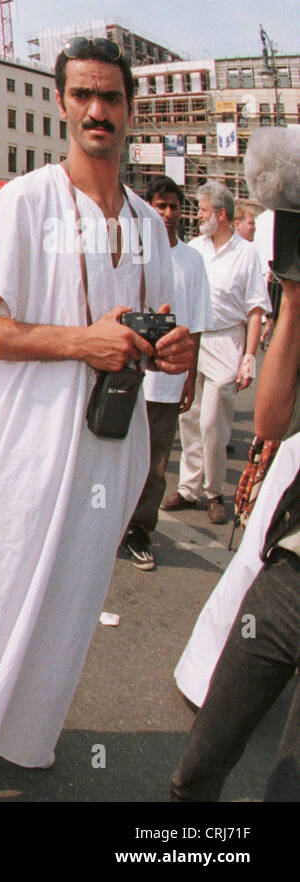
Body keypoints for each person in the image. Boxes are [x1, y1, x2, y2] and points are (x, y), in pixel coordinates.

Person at [0, 36, 193, 788]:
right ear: (60, 104)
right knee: (2, 588)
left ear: (129, 109)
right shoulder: (24, 202)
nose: (95, 110)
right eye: (81, 94)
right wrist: (78, 340)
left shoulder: (150, 221)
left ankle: (23, 733)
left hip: (112, 447)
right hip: (30, 442)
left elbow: (151, 320)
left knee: (69, 602)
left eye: (110, 97)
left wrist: (167, 350)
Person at [171, 270, 300, 800]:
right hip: (289, 575)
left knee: (288, 785)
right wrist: (292, 299)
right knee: (197, 769)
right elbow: (270, 422)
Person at [161, 181, 269, 524]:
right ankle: (190, 488)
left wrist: (249, 356)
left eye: (204, 210)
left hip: (227, 340)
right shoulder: (195, 248)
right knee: (189, 417)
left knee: (213, 422)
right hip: (194, 338)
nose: (198, 215)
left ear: (221, 214)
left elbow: (256, 309)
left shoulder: (246, 254)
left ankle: (215, 491)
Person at [120, 176, 212, 570]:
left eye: (174, 206)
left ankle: (140, 529)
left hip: (168, 383)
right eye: (161, 206)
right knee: (115, 456)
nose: (168, 214)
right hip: (127, 375)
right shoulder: (131, 253)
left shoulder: (192, 260)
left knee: (157, 464)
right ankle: (105, 526)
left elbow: (198, 324)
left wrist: (189, 377)